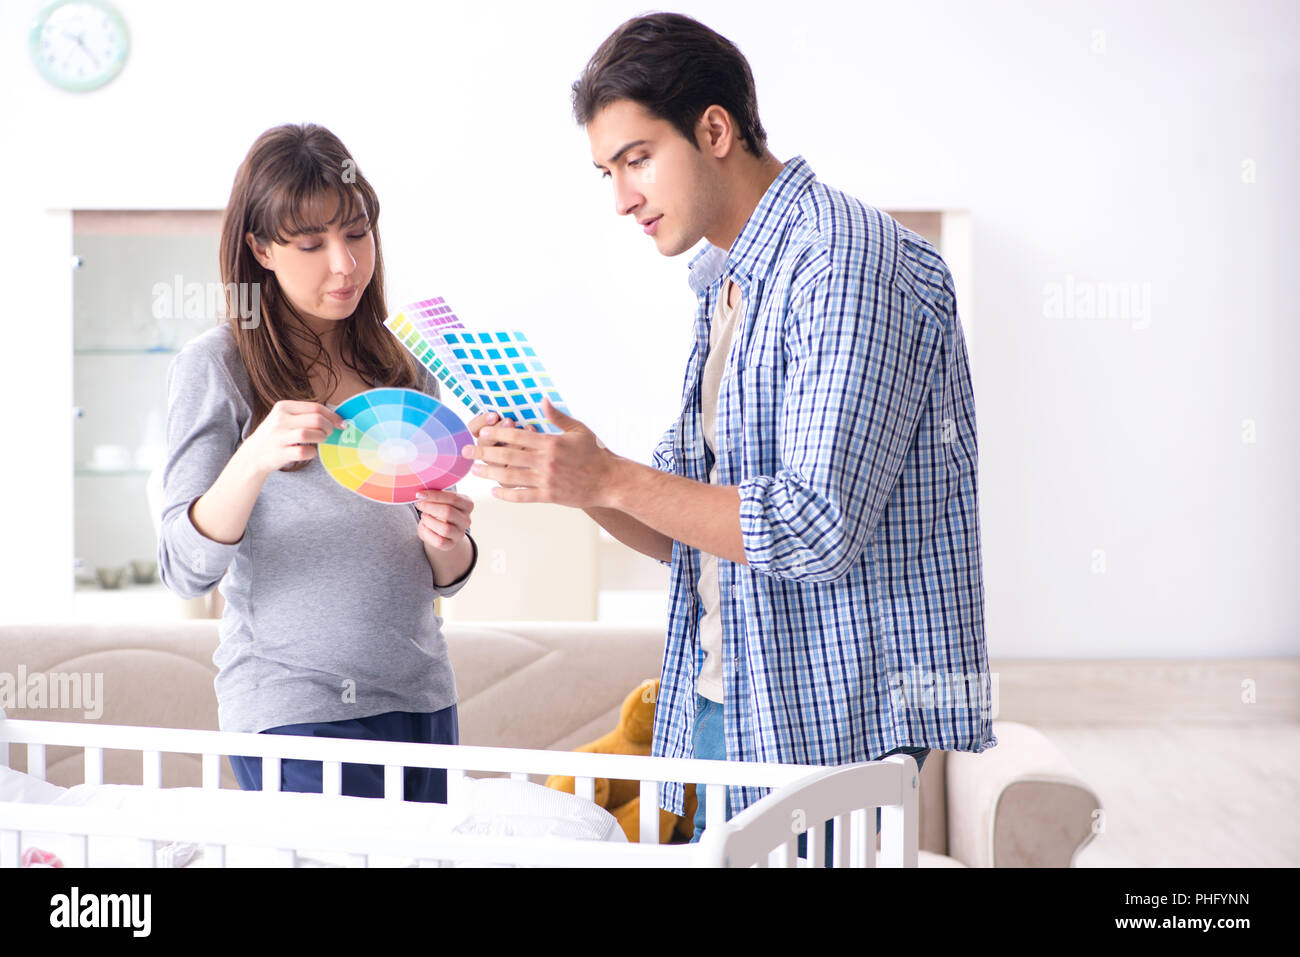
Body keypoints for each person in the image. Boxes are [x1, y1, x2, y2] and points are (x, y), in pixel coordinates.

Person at [464, 12, 997, 862]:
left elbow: (814, 527)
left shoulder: (845, 264)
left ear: (715, 129)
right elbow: (695, 534)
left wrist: (606, 476)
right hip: (728, 700)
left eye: (637, 159)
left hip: (828, 722)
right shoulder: (726, 283)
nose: (621, 197)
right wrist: (574, 477)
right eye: (607, 171)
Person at [157, 123, 491, 801]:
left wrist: (450, 539)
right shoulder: (218, 365)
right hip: (292, 709)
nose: (344, 264)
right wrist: (252, 461)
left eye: (357, 233)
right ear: (260, 248)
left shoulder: (406, 370)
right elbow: (184, 568)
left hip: (421, 699)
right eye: (311, 244)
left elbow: (442, 579)